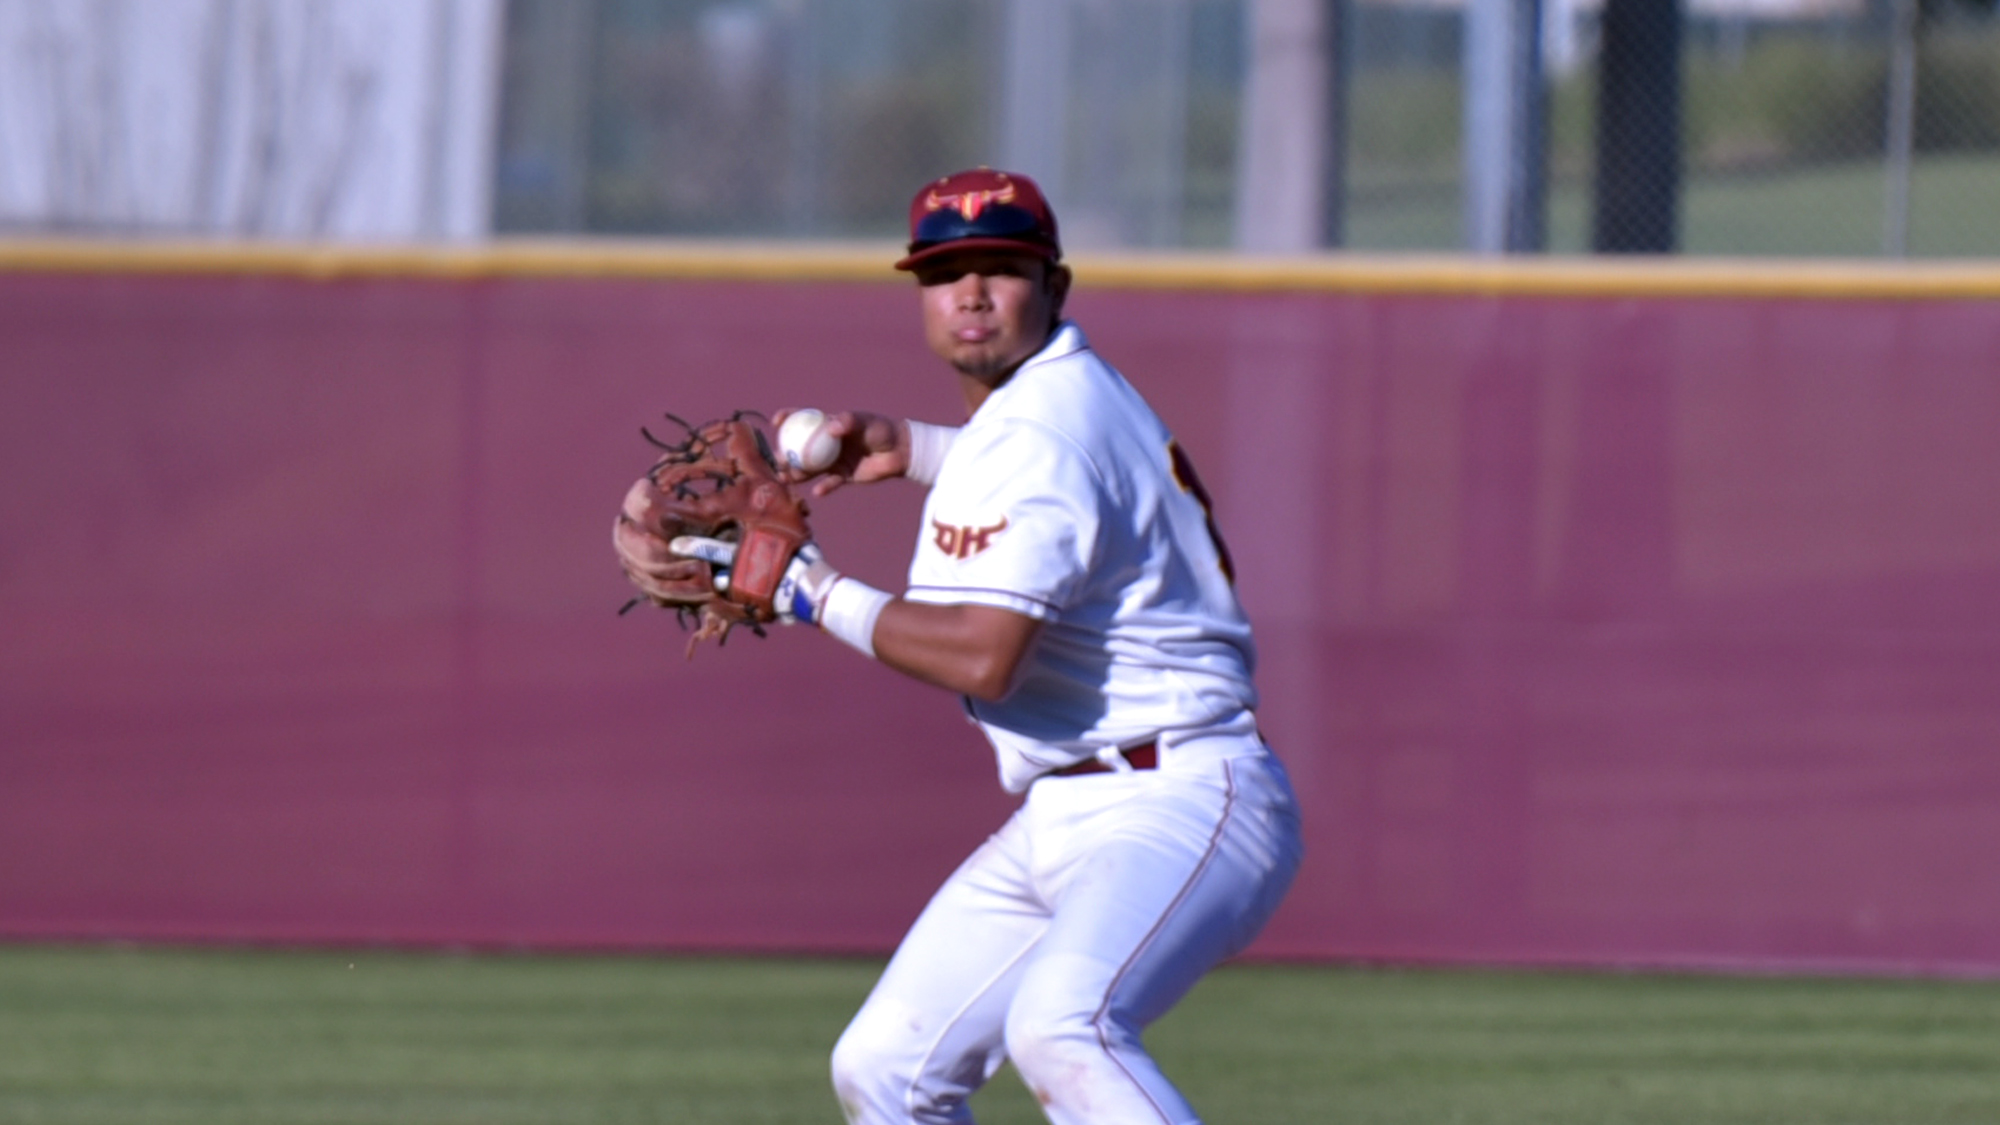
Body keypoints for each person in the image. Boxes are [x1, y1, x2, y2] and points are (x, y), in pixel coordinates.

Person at [615, 167, 1303, 1125]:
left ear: (1054, 286)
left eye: (1001, 267)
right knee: (887, 1067)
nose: (971, 293)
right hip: (1075, 804)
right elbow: (1050, 478)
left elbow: (985, 657)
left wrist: (814, 590)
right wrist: (917, 447)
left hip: (1179, 797)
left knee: (1066, 1029)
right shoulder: (1049, 406)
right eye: (945, 272)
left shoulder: (1042, 430)